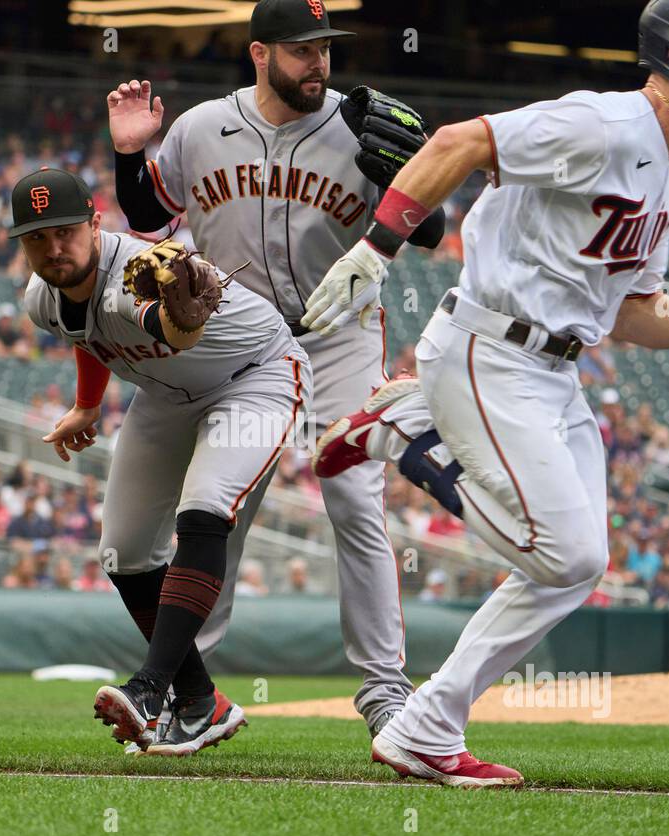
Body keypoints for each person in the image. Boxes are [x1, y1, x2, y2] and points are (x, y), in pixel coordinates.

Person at [305, 0, 669, 787]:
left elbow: (629, 314)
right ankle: (406, 429)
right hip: (488, 347)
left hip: (555, 371)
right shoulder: (602, 124)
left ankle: (425, 728)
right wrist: (376, 248)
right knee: (567, 553)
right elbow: (457, 143)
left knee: (577, 567)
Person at [107, 0, 439, 738]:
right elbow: (149, 218)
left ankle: (386, 692)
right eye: (301, 49)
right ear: (259, 53)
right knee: (219, 508)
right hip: (238, 343)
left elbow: (430, 229)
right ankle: (191, 690)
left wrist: (411, 169)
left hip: (340, 335)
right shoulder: (201, 127)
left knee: (354, 497)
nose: (318, 62)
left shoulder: (358, 124)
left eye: (325, 48)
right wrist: (130, 155)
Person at [13, 168, 311, 756]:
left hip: (257, 374)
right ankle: (202, 703)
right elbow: (87, 334)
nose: (54, 248)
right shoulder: (40, 298)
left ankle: (151, 689)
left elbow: (173, 331)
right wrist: (87, 404)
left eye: (66, 231)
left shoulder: (133, 276)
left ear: (95, 223)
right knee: (122, 552)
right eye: (37, 237)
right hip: (168, 393)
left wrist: (177, 314)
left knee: (204, 510)